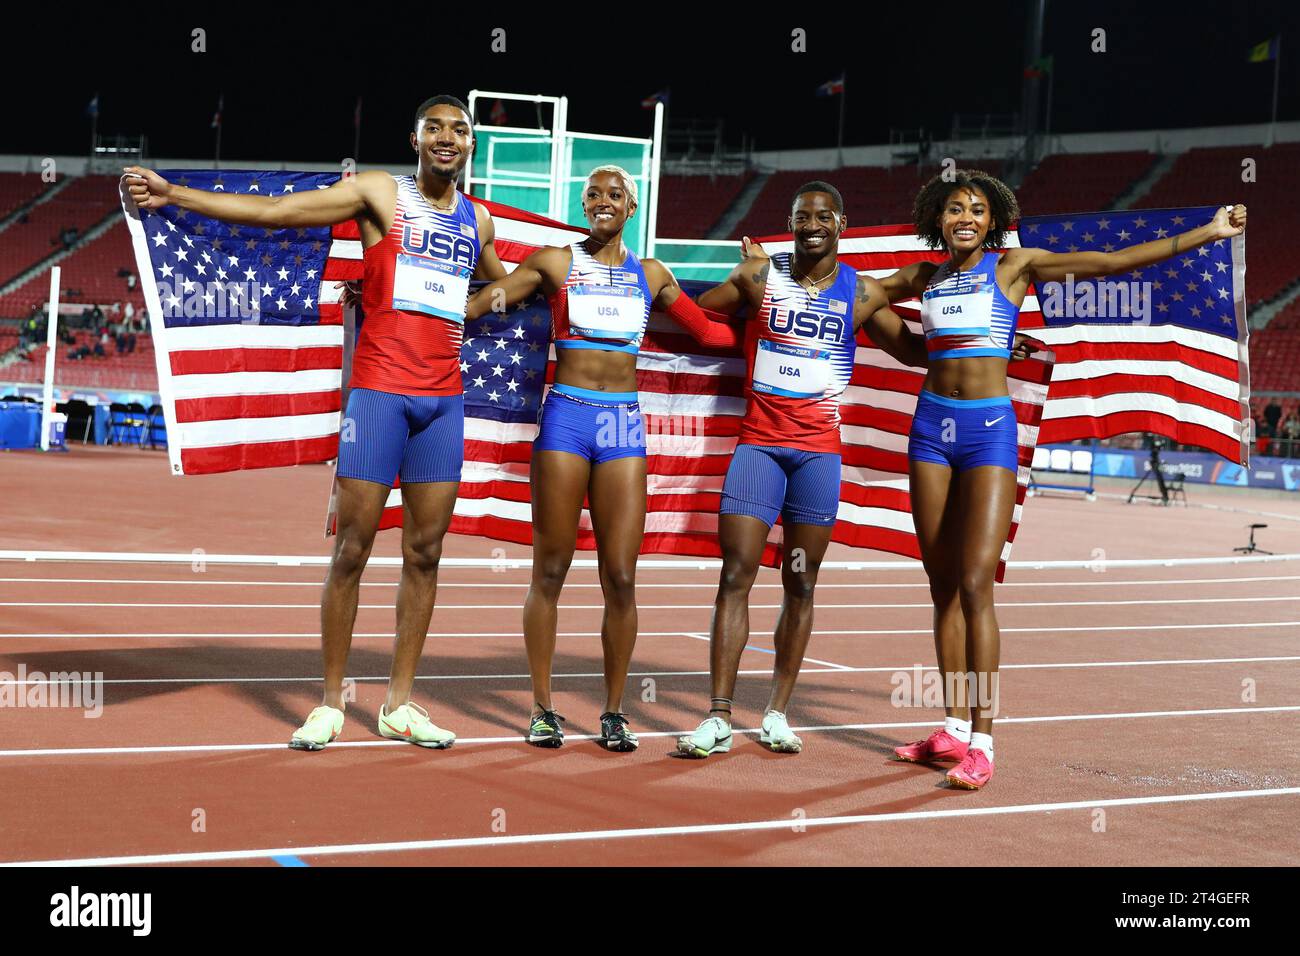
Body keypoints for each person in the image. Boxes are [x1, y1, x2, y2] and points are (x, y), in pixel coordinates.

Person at [126, 94, 511, 751]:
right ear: (415, 139)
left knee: (425, 553)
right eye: (435, 128)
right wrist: (175, 195)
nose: (448, 137)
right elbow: (278, 213)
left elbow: (496, 295)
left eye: (460, 129)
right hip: (379, 397)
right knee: (353, 549)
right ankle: (331, 703)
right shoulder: (378, 195)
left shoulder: (480, 224)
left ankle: (399, 704)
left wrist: (503, 295)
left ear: (471, 144)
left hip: (444, 402)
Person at [880, 169, 1246, 788]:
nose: (964, 216)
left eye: (975, 208)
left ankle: (984, 743)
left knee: (975, 582)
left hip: (987, 430)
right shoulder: (923, 278)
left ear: (993, 220)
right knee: (940, 582)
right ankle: (953, 728)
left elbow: (1111, 260)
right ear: (936, 220)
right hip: (929, 431)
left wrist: (1207, 232)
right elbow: (851, 298)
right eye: (952, 209)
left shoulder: (1015, 267)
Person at [463, 166, 741, 750]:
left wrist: (762, 295)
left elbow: (712, 336)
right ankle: (543, 708)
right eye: (593, 194)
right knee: (551, 569)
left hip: (622, 425)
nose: (603, 202)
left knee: (620, 575)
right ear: (584, 203)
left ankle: (614, 712)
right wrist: (413, 302)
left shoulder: (652, 274)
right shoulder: (555, 262)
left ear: (632, 207)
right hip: (565, 416)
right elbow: (490, 301)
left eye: (615, 194)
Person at [676, 181, 926, 758]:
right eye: (800, 216)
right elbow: (693, 317)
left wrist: (991, 348)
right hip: (758, 448)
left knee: (801, 581)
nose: (810, 224)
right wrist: (658, 288)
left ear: (841, 222)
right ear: (789, 222)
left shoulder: (860, 293)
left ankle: (777, 713)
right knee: (736, 575)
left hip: (817, 455)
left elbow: (911, 352)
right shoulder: (759, 277)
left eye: (821, 216)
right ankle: (718, 717)